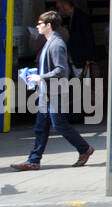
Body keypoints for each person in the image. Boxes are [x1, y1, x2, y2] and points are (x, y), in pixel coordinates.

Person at [10, 12, 94, 171]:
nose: (37, 26)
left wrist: (40, 77)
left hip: (54, 93)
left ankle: (85, 148)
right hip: (46, 93)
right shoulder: (49, 42)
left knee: (59, 124)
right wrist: (34, 73)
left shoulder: (56, 44)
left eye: (40, 23)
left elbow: (61, 71)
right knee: (41, 126)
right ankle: (34, 160)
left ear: (48, 25)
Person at [57, 0, 94, 78]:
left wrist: (88, 59)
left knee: (84, 83)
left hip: (81, 58)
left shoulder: (81, 17)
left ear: (65, 6)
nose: (59, 11)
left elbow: (88, 38)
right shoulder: (70, 18)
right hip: (75, 58)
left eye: (59, 8)